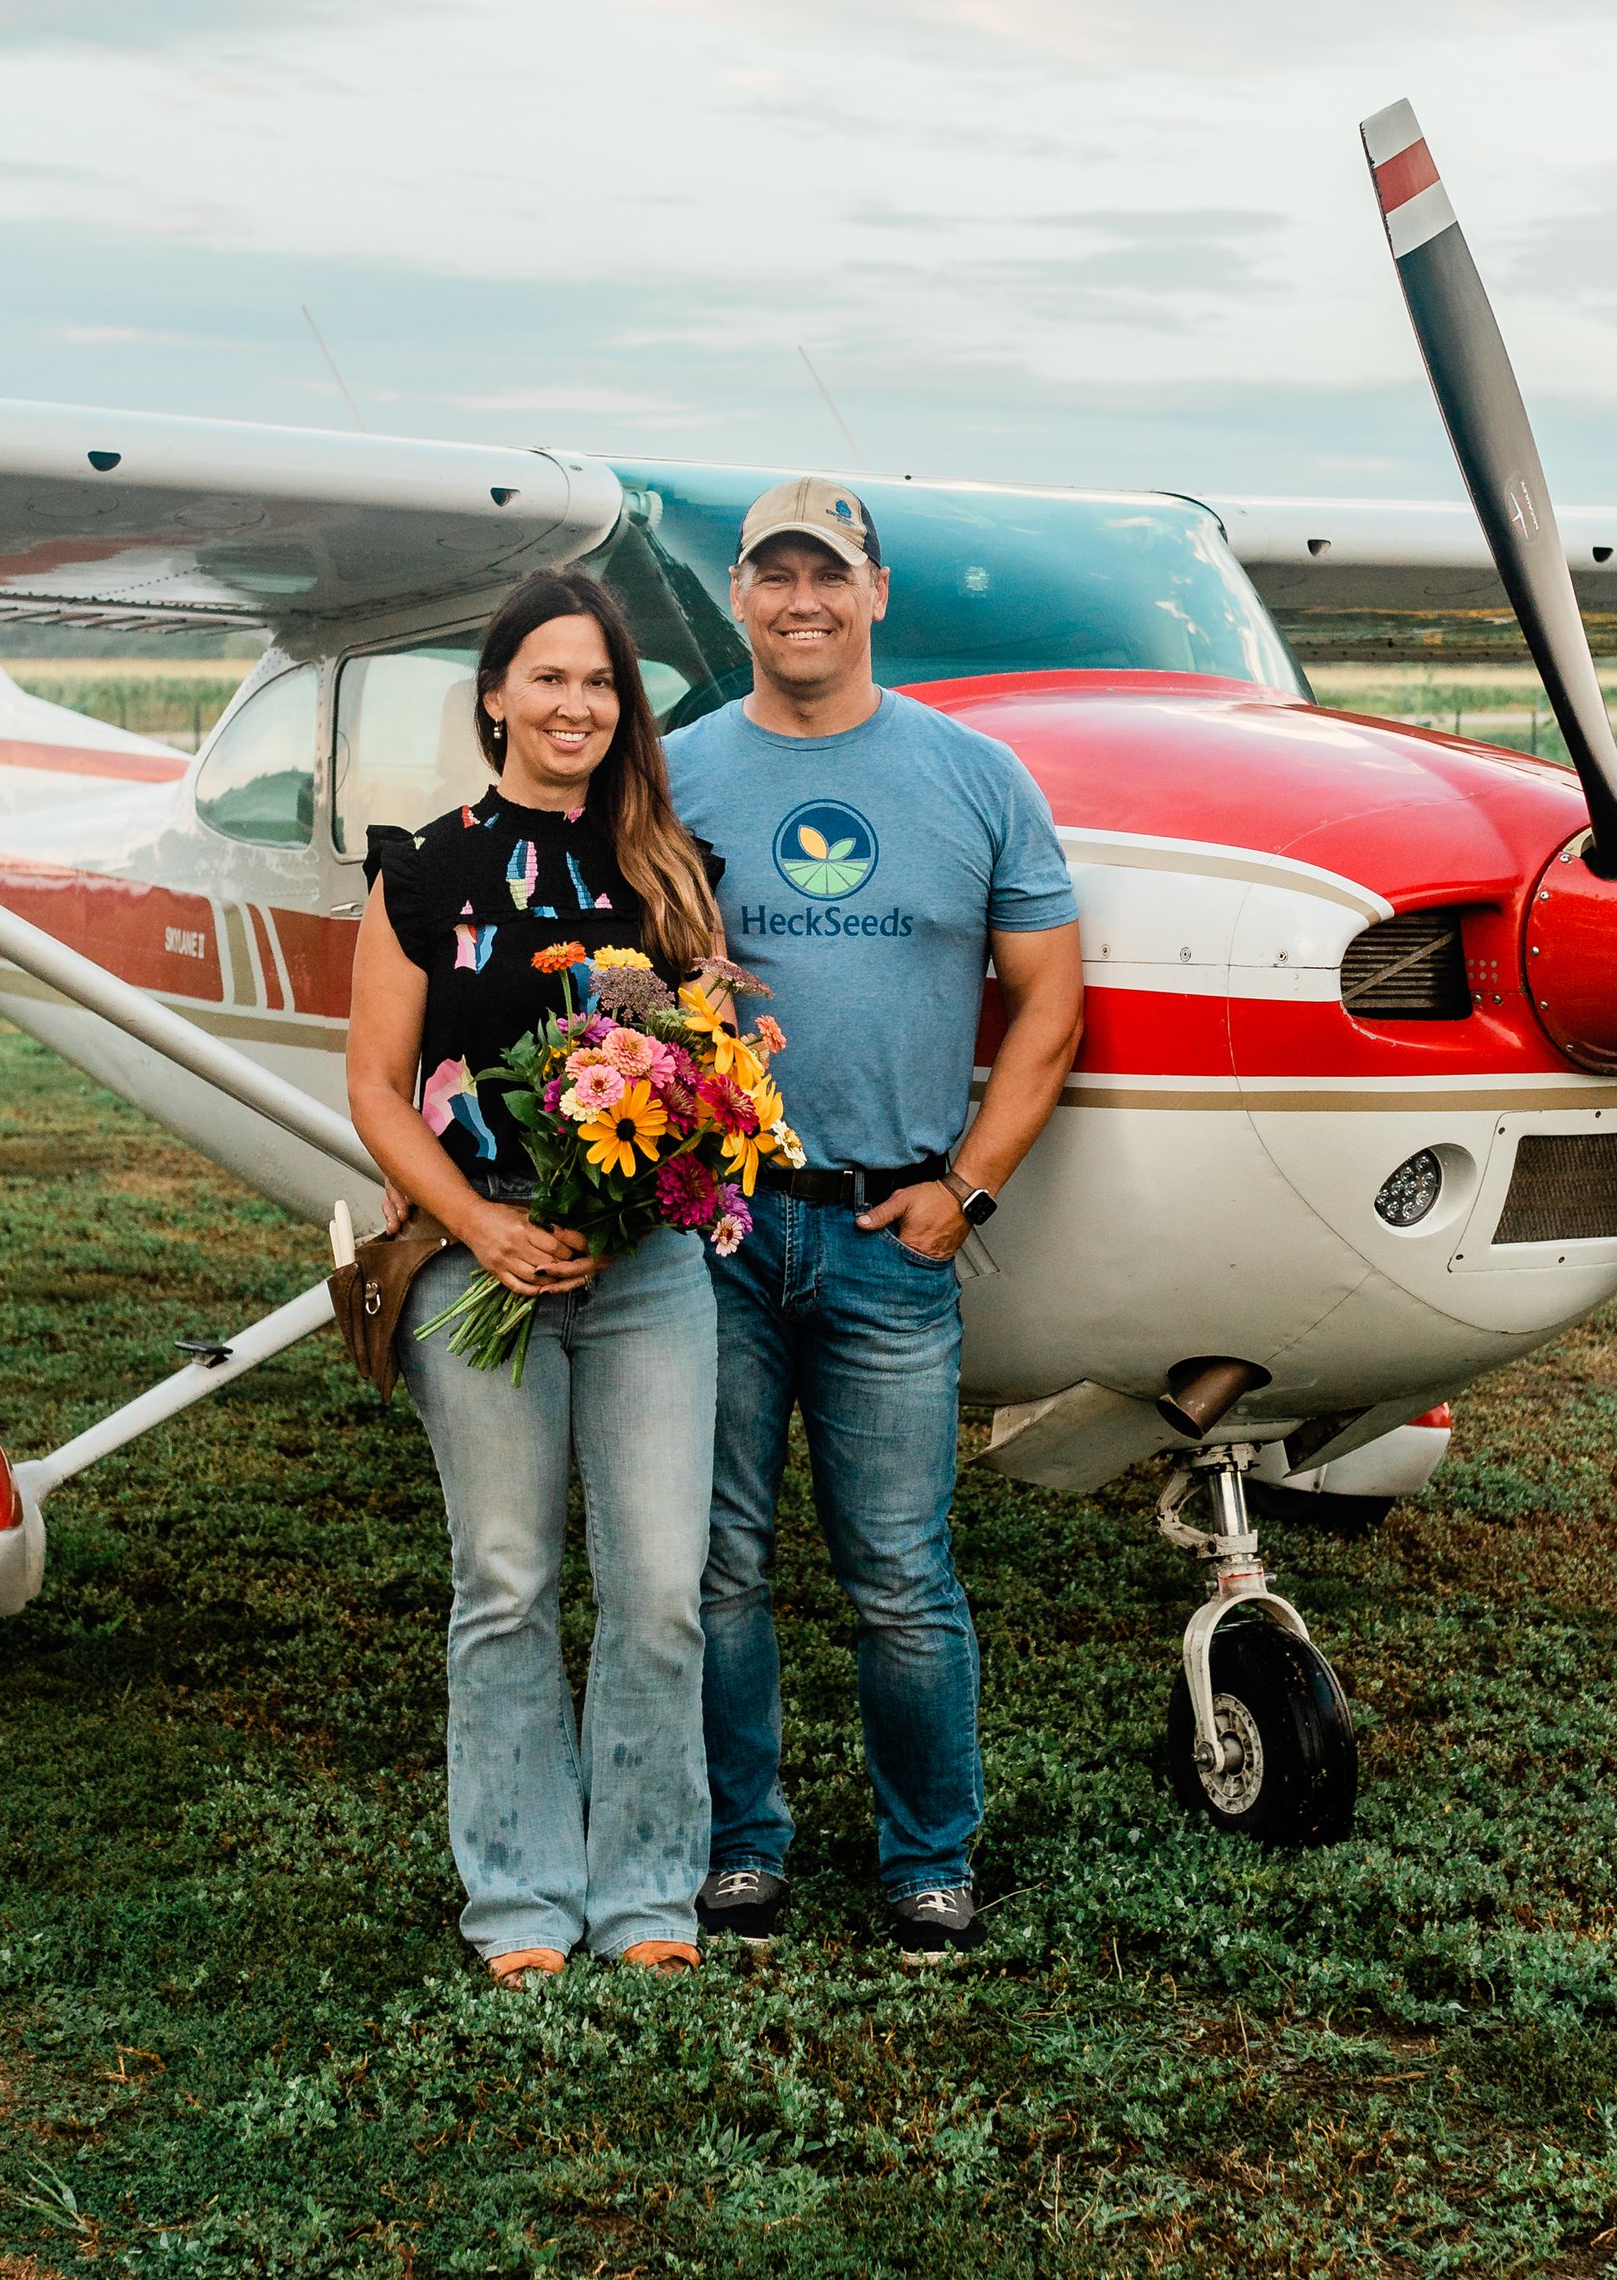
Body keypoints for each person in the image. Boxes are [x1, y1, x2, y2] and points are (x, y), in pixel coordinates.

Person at [667, 477, 1084, 1963]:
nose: (802, 601)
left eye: (828, 574)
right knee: (715, 1567)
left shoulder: (976, 778)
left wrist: (965, 1188)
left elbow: (1051, 1003)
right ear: (738, 595)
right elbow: (613, 984)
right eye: (775, 576)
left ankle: (928, 1860)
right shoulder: (673, 775)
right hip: (710, 1240)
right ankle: (738, 1849)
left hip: (887, 1236)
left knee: (900, 1578)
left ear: (876, 592)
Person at [345, 569, 727, 1991]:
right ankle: (519, 1906)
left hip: (645, 1271)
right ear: (496, 694)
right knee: (505, 1578)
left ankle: (644, 1900)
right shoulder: (425, 871)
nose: (576, 705)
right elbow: (380, 1093)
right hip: (471, 1253)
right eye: (549, 678)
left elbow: (703, 1074)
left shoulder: (670, 872)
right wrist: (478, 1225)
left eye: (601, 683)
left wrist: (676, 1138)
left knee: (661, 1589)